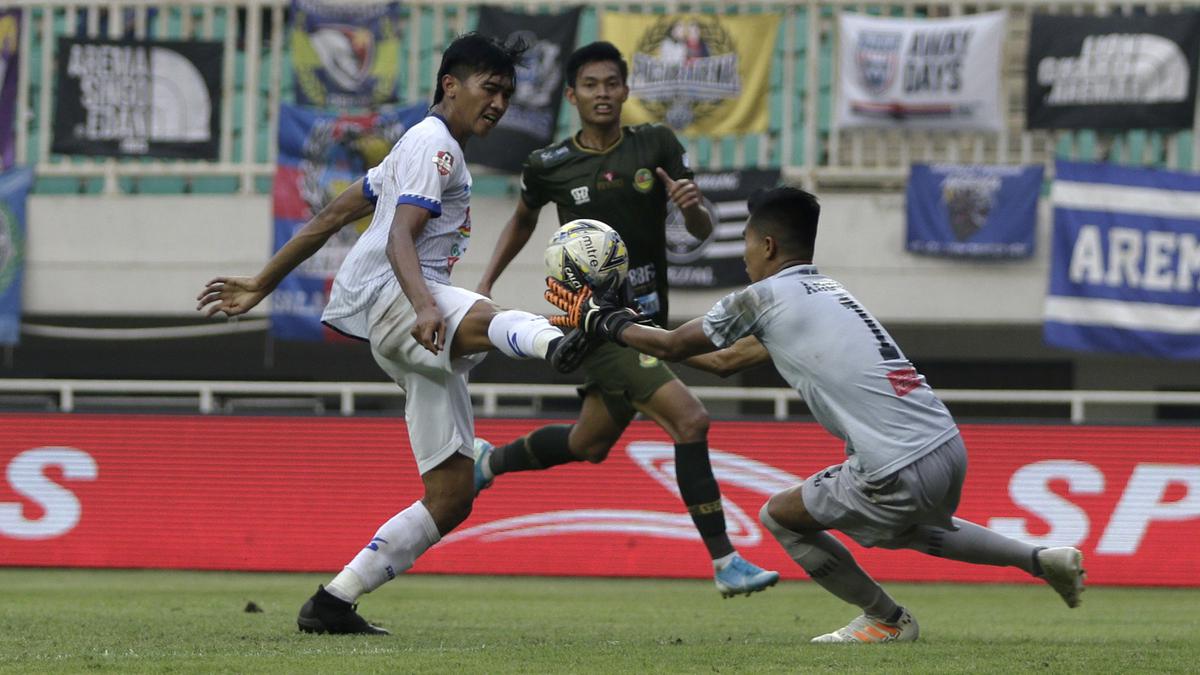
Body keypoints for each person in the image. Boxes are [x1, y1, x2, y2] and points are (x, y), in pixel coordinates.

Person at [554, 186, 1086, 643]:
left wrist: (600, 318)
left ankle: (886, 620)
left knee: (781, 517)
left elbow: (671, 346)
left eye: (744, 243)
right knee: (910, 530)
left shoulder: (763, 296)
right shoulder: (831, 292)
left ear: (766, 244)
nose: (743, 256)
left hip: (894, 462)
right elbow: (722, 362)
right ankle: (1039, 559)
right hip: (946, 445)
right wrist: (630, 327)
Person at [196, 33, 591, 635]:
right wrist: (423, 304)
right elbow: (404, 235)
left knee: (453, 494)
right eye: (490, 88)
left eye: (508, 94)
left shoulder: (413, 145)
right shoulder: (435, 148)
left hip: (403, 322)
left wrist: (261, 283)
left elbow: (331, 216)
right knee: (486, 313)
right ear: (450, 85)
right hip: (400, 302)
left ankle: (332, 602)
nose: (499, 104)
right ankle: (558, 341)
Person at [472, 41, 779, 597]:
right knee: (691, 420)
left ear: (626, 89)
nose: (603, 94)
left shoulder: (655, 145)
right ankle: (725, 560)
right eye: (591, 85)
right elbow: (521, 221)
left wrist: (692, 209)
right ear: (572, 95)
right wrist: (487, 283)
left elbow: (703, 229)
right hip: (593, 320)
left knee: (588, 443)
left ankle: (487, 463)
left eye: (612, 83)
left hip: (648, 320)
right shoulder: (549, 166)